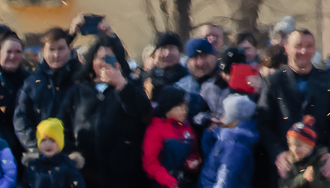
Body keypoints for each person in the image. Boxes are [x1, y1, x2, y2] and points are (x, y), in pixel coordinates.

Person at [62, 35, 153, 188]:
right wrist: (71, 152)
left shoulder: (132, 86)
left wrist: (121, 85)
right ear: (92, 61)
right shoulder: (78, 91)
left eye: (110, 59)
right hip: (86, 172)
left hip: (123, 174)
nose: (105, 64)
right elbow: (63, 125)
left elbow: (143, 113)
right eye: (100, 58)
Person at [258, 28, 330, 183]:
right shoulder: (274, 82)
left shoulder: (328, 81)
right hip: (287, 164)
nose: (303, 51)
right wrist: (277, 153)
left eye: (309, 46)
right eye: (298, 46)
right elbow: (264, 122)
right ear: (287, 49)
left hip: (320, 164)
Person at [15, 29, 78, 155]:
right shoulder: (32, 83)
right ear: (43, 52)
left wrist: (75, 151)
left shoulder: (80, 81)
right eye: (51, 49)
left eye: (61, 49)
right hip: (40, 157)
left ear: (69, 50)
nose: (56, 55)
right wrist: (36, 148)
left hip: (72, 158)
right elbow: (21, 119)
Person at [142, 85, 201, 188]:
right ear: (168, 108)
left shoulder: (186, 126)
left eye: (186, 106)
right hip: (163, 184)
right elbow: (150, 163)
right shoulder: (156, 129)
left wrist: (192, 164)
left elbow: (194, 151)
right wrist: (171, 182)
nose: (185, 111)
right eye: (180, 107)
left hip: (185, 181)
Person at [198, 94, 259, 188]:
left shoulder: (235, 145)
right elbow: (211, 157)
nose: (222, 115)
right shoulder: (225, 135)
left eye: (226, 112)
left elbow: (226, 178)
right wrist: (208, 134)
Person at [177, 38, 229, 128]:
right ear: (188, 62)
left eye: (204, 56)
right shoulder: (181, 87)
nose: (200, 62)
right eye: (195, 57)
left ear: (214, 57)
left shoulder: (226, 82)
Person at [23, 119, 83, 188]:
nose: (47, 144)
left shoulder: (68, 166)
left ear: (60, 143)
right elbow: (25, 184)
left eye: (52, 141)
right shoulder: (33, 166)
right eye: (43, 140)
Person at [280, 116, 330, 188]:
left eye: (299, 145)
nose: (294, 149)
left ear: (310, 146)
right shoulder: (289, 163)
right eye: (291, 145)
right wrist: (302, 178)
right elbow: (284, 185)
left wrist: (313, 180)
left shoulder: (321, 161)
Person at [0, 33, 27, 163]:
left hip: (23, 151)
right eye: (8, 51)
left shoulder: (30, 81)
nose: (13, 56)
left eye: (17, 52)